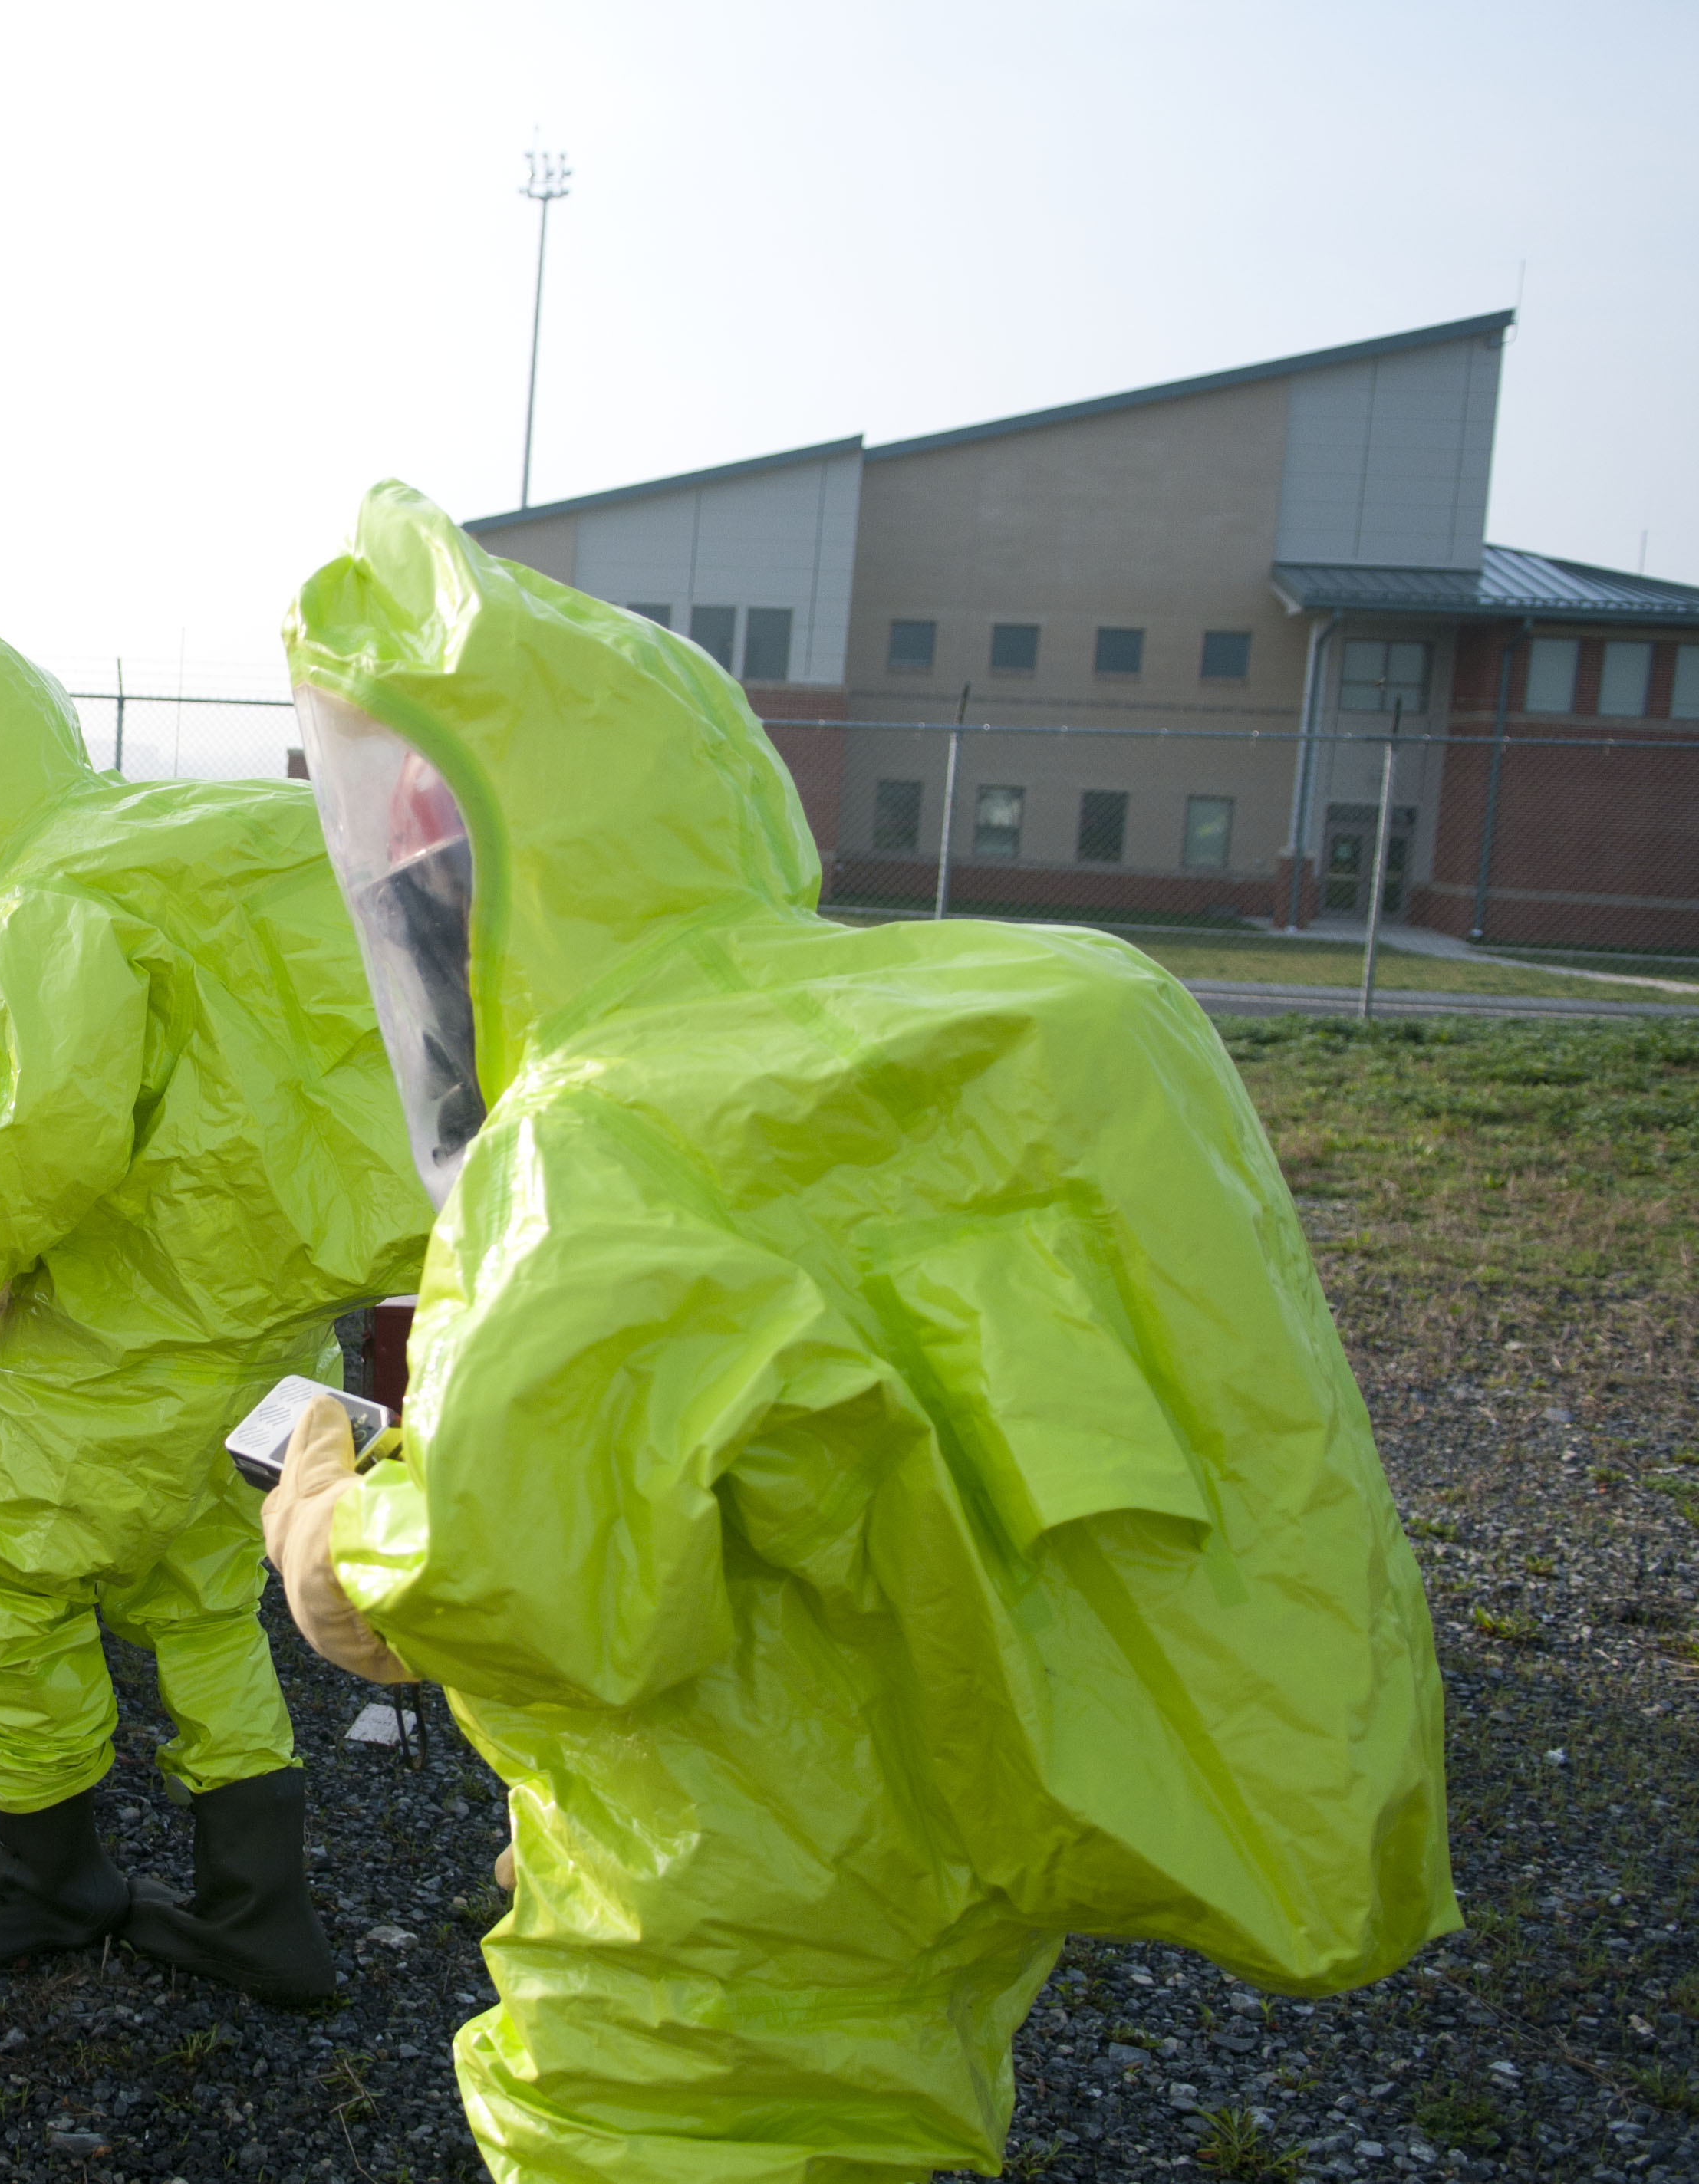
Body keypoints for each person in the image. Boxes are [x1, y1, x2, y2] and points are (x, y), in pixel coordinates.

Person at [260, 481, 1457, 2181]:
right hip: (927, 1887)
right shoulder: (910, 1049)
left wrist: (324, 1533)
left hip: (686, 1963)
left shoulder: (594, 1133)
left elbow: (513, 1575)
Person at [0, 581, 433, 2001]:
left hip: (116, 1346)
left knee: (4, 1587)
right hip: (259, 1321)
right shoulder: (172, 839)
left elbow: (46, 1148)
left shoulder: (55, 897)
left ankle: (50, 1876)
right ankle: (255, 1908)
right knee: (202, 1597)